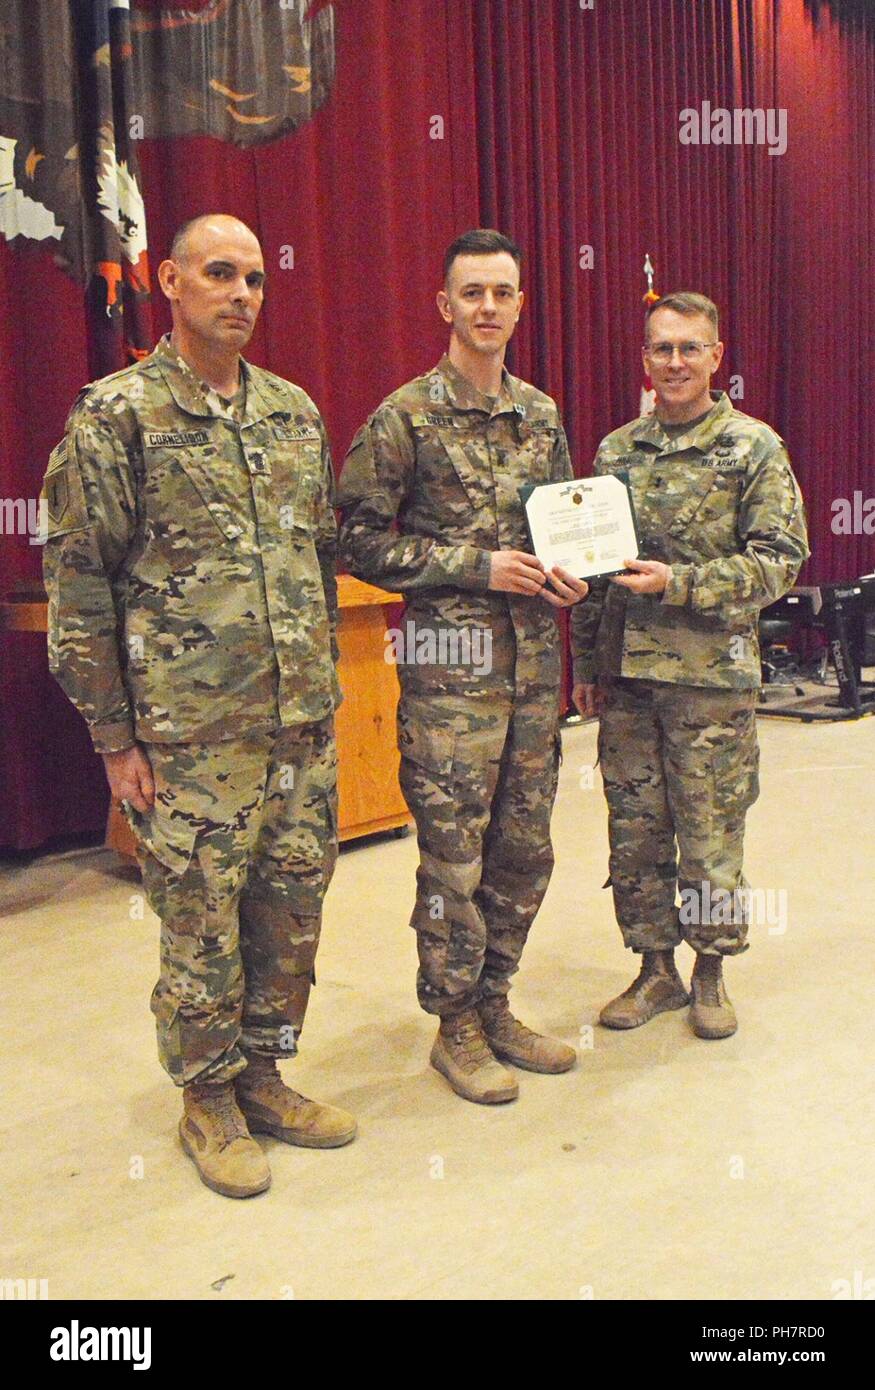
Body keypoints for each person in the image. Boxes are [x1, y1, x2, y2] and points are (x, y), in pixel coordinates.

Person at [42, 214, 356, 1199]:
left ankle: (264, 1075)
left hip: (298, 730)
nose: (243, 293)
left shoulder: (293, 413)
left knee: (289, 916)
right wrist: (112, 738)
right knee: (201, 927)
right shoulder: (117, 417)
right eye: (220, 274)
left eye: (256, 277)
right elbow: (81, 586)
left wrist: (317, 687)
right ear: (169, 280)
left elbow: (320, 553)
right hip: (188, 740)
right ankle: (207, 1099)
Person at [337, 229, 588, 1105]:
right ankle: (453, 1024)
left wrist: (564, 575)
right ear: (444, 306)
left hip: (530, 680)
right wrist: (472, 567)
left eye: (503, 293)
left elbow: (562, 528)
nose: (488, 308)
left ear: (521, 305)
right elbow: (354, 539)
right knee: (453, 863)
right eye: (472, 293)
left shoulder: (542, 415)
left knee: (523, 853)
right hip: (451, 687)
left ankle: (496, 1003)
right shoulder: (403, 417)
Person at [571, 291, 809, 1039]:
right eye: (659, 349)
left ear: (715, 357)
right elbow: (588, 570)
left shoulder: (752, 447)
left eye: (687, 348)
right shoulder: (616, 451)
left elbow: (780, 561)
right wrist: (584, 662)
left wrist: (682, 583)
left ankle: (709, 970)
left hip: (712, 683)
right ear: (643, 359)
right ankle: (653, 970)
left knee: (709, 832)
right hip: (630, 680)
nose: (672, 362)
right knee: (635, 833)